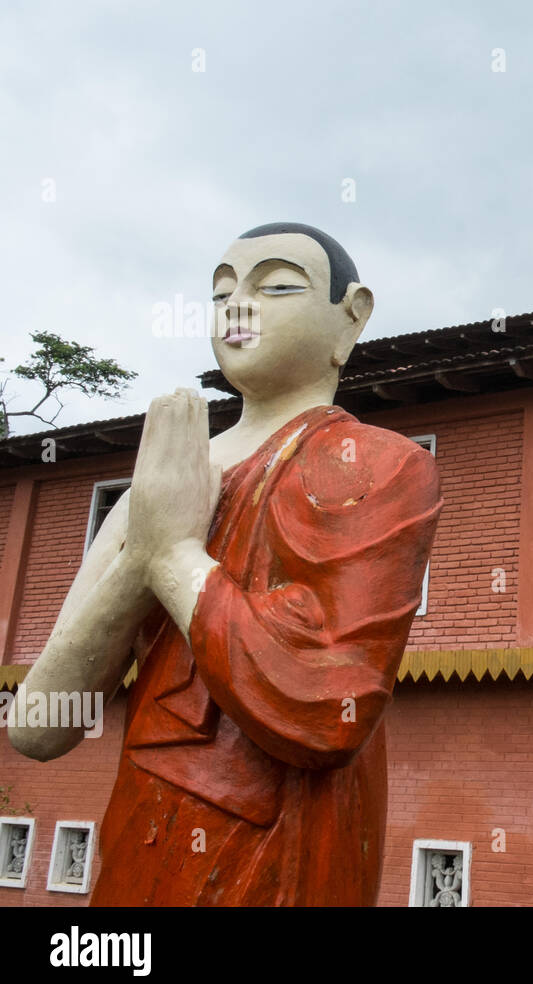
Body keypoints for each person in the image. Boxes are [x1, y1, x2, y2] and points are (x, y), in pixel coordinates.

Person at [10, 222, 443, 905]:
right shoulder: (162, 485)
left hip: (288, 842)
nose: (240, 306)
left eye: (275, 285)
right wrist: (142, 556)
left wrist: (177, 558)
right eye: (221, 294)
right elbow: (37, 726)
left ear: (351, 316)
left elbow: (326, 707)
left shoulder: (381, 466)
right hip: (143, 832)